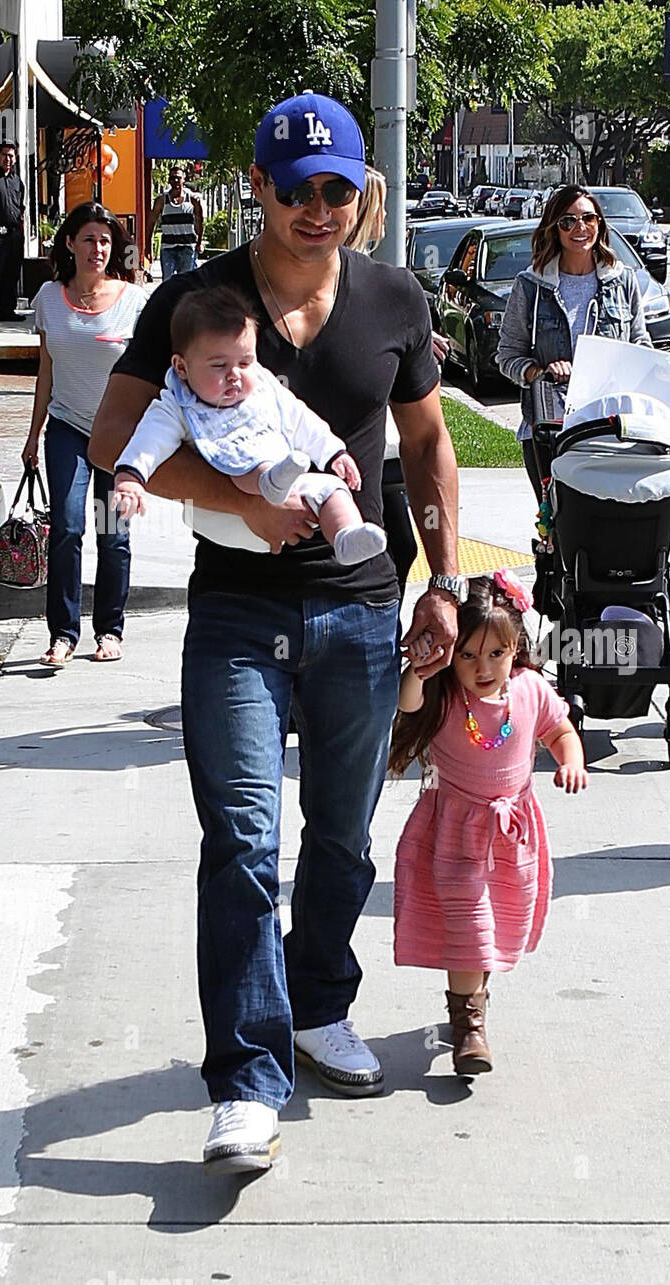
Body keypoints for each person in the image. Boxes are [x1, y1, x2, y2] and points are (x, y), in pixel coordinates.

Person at [89, 92, 463, 1175]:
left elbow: (429, 444)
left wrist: (445, 582)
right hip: (239, 613)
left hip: (360, 604)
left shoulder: (393, 296)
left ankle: (315, 1004)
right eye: (294, 188)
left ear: (359, 192)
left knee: (342, 837)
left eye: (335, 188)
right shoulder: (194, 302)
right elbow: (119, 436)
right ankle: (246, 1079)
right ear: (255, 186)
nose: (315, 207)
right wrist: (243, 503)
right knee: (244, 843)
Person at [390, 572, 587, 1075]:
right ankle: (469, 1030)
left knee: (497, 923)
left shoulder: (530, 689)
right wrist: (419, 665)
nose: (483, 668)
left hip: (511, 834)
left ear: (516, 647)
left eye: (496, 654)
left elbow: (559, 728)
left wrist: (570, 759)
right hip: (454, 832)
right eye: (468, 656)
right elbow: (407, 702)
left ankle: (475, 997)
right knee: (471, 926)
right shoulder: (446, 696)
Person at [112, 284, 387, 566]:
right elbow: (149, 440)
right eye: (219, 366)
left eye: (245, 362)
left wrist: (332, 453)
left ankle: (346, 537)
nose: (235, 375)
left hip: (288, 485)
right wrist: (131, 478)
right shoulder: (179, 406)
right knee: (250, 470)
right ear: (182, 368)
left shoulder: (263, 386)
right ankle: (269, 480)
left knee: (331, 490)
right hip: (228, 515)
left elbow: (300, 418)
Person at [23, 202, 146, 665]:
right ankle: (62, 634)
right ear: (70, 243)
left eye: (106, 240)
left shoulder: (134, 302)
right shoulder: (48, 299)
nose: (98, 248)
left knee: (113, 534)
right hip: (67, 430)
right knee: (68, 528)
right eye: (89, 239)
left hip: (117, 437)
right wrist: (33, 436)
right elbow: (45, 372)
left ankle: (110, 631)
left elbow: (149, 375)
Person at [497, 183, 652, 501]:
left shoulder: (623, 281)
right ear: (554, 229)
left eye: (588, 219)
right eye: (568, 221)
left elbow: (641, 345)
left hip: (609, 429)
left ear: (600, 224)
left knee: (609, 527)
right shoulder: (531, 286)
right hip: (550, 430)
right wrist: (540, 373)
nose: (580, 228)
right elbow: (508, 356)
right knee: (558, 528)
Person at [343, 164, 451, 593]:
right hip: (366, 451)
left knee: (398, 543)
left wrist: (419, 349)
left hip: (389, 452)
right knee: (394, 543)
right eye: (382, 207)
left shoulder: (387, 286)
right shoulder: (351, 282)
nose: (387, 218)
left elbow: (429, 438)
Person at [148, 164, 203, 281]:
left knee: (186, 283)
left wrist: (199, 242)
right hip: (168, 248)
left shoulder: (192, 199)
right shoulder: (162, 201)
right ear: (169, 180)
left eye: (178, 177)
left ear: (184, 179)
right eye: (172, 178)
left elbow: (199, 222)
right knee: (167, 283)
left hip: (187, 248)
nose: (176, 180)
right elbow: (152, 222)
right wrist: (148, 246)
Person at [0, 141, 26, 320]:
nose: (8, 159)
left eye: (11, 156)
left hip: (14, 234)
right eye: (5, 155)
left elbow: (21, 207)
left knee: (11, 273)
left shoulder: (16, 181)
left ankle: (6, 311)